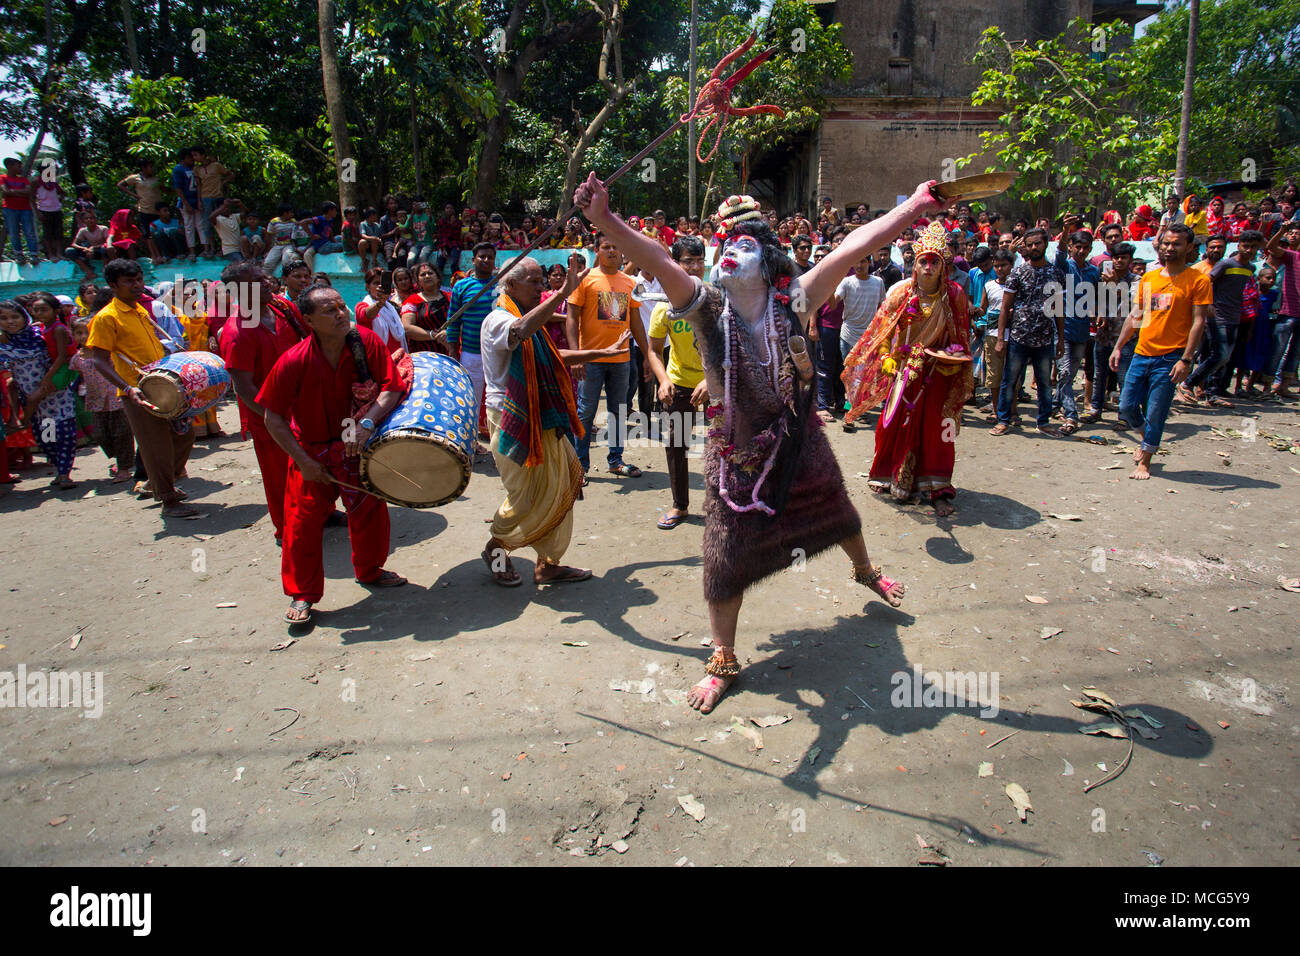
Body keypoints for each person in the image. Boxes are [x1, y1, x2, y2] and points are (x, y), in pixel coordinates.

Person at [576, 174, 932, 713]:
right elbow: (658, 258)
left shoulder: (798, 297)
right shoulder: (702, 305)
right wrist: (604, 220)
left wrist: (917, 207)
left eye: (741, 245)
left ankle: (863, 572)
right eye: (725, 245)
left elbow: (857, 244)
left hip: (796, 436)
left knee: (838, 510)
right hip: (737, 454)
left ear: (767, 259)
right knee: (721, 560)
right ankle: (723, 658)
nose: (727, 254)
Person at [257, 284, 409, 624]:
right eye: (329, 310)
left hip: (356, 447)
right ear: (308, 319)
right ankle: (302, 594)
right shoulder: (293, 360)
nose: (341, 313)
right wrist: (302, 460)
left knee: (370, 512)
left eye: (341, 306)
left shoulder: (365, 343)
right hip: (311, 451)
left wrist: (367, 423)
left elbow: (391, 388)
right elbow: (273, 418)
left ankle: (370, 570)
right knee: (302, 525)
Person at [479, 253, 628, 586]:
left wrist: (601, 353)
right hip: (512, 418)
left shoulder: (528, 319)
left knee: (562, 485)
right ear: (511, 284)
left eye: (542, 282)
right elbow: (520, 331)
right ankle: (496, 551)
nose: (540, 288)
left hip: (542, 416)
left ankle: (548, 564)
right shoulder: (500, 320)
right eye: (534, 282)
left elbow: (553, 354)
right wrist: (562, 295)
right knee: (524, 497)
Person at [843, 221, 973, 514]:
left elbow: (961, 337)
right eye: (923, 261)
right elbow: (883, 331)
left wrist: (953, 362)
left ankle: (937, 488)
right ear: (915, 264)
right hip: (904, 372)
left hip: (937, 373)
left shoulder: (954, 295)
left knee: (937, 432)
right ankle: (892, 478)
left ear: (943, 266)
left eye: (934, 262)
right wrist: (889, 356)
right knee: (892, 427)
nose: (928, 267)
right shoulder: (901, 291)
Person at [86, 259, 197, 516]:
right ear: (113, 286)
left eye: (139, 280)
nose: (137, 285)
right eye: (129, 281)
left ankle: (158, 483)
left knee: (184, 435)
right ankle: (168, 500)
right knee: (155, 444)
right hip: (137, 390)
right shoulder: (106, 318)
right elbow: (99, 361)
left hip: (162, 385)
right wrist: (127, 389)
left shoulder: (140, 310)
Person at [1110, 224, 1209, 480]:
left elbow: (1199, 321)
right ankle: (1147, 438)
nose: (1169, 248)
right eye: (1166, 243)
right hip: (1141, 353)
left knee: (1156, 410)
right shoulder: (1150, 278)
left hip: (1171, 358)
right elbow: (1136, 315)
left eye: (1176, 244)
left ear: (1188, 247)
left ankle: (1145, 461)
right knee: (1127, 406)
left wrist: (1187, 360)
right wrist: (1119, 347)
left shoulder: (1198, 280)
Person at [220, 260, 303, 543]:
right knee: (281, 475)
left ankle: (323, 514)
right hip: (269, 418)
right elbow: (243, 387)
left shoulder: (283, 308)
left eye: (264, 277)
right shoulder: (237, 332)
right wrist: (275, 418)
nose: (266, 282)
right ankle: (287, 529)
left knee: (312, 463)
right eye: (257, 281)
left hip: (302, 406)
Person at [566, 232, 649, 480]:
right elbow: (571, 317)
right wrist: (576, 355)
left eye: (616, 246)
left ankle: (616, 460)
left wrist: (646, 355)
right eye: (606, 246)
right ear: (597, 251)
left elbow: (635, 321)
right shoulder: (585, 279)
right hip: (590, 359)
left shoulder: (629, 282)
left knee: (618, 411)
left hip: (621, 360)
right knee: (586, 412)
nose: (612, 251)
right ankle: (579, 466)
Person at [646, 235, 709, 528]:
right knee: (676, 443)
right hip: (680, 383)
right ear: (674, 264)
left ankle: (730, 507)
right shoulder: (664, 308)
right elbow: (654, 351)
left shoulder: (717, 301)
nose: (695, 267)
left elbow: (732, 348)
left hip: (716, 384)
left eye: (700, 261)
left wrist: (712, 379)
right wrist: (662, 379)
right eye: (688, 261)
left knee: (727, 446)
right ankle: (680, 506)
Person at [990, 227, 1065, 436]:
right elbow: (1005, 307)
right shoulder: (1018, 272)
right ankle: (1003, 419)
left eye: (1037, 243)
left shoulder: (1056, 273)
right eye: (1030, 244)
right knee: (1009, 380)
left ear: (1045, 244)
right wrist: (1000, 338)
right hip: (1018, 337)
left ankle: (1043, 422)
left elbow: (1059, 308)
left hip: (1045, 339)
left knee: (1044, 383)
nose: (1034, 247)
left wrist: (1060, 339)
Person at [1179, 230, 1263, 406]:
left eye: (1253, 247)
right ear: (1238, 246)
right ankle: (1188, 383)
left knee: (1224, 357)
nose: (1249, 250)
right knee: (1220, 355)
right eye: (1245, 246)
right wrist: (1207, 303)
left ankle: (1212, 394)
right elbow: (1206, 281)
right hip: (1217, 316)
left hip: (1235, 316)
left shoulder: (1250, 268)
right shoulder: (1225, 265)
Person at [0, 298, 77, 487]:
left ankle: (64, 474)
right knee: (46, 439)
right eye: (3, 318)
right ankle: (58, 468)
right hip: (33, 401)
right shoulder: (3, 343)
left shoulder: (38, 333)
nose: (10, 321)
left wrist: (49, 381)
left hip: (55, 394)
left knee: (65, 435)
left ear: (24, 317)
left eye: (14, 316)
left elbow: (60, 354)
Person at [69, 315, 134, 481]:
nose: (83, 337)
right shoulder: (78, 358)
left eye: (87, 332)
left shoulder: (108, 354)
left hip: (116, 398)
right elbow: (79, 375)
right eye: (79, 333)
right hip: (96, 400)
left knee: (121, 433)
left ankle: (124, 467)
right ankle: (122, 459)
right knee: (100, 434)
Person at [446, 242, 498, 450]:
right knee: (471, 400)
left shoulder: (503, 285)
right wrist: (452, 352)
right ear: (473, 259)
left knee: (498, 399)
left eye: (490, 257)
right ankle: (470, 442)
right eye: (482, 257)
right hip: (471, 353)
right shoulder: (461, 286)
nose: (486, 260)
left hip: (499, 354)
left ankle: (500, 441)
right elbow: (453, 321)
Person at [828, 253, 885, 434]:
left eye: (862, 260)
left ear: (868, 262)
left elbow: (882, 308)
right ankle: (851, 412)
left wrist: (880, 332)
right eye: (856, 261)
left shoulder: (878, 282)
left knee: (862, 377)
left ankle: (852, 410)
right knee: (851, 376)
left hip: (868, 337)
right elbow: (833, 304)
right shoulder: (846, 282)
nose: (859, 265)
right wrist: (828, 287)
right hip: (848, 335)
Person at [1053, 221, 1100, 434]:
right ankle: (1071, 416)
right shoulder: (1065, 266)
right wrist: (1065, 231)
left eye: (1085, 248)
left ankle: (1055, 403)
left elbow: (1096, 297)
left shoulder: (1093, 272)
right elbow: (1060, 253)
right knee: (1064, 372)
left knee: (1069, 374)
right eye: (1077, 247)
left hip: (1082, 330)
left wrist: (1098, 313)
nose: (1081, 251)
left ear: (1090, 249)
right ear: (1071, 246)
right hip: (1062, 329)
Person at [1083, 242, 1137, 422]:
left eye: (1124, 258)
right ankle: (1095, 409)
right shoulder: (1103, 280)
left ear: (1130, 260)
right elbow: (1095, 303)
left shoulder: (1137, 281)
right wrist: (1096, 312)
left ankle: (1124, 416)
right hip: (1104, 335)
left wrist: (1115, 287)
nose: (1119, 261)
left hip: (1126, 338)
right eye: (1116, 257)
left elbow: (1137, 307)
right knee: (1099, 375)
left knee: (1124, 377)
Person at [1263, 222, 1300, 400]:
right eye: (1292, 233)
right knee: (1278, 348)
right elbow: (1270, 247)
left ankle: (1283, 386)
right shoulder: (1292, 256)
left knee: (1296, 352)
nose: (1294, 235)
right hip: (1288, 310)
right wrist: (1283, 230)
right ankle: (1267, 387)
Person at [355, 268, 408, 356]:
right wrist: (380, 303)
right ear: (367, 286)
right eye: (376, 283)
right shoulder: (362, 306)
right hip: (378, 359)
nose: (380, 286)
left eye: (382, 283)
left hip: (398, 357)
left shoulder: (391, 307)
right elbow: (366, 315)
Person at [400, 262, 449, 353]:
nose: (427, 276)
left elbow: (462, 321)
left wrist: (449, 333)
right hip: (424, 354)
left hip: (450, 350)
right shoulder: (412, 301)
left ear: (438, 278)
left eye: (430, 273)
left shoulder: (450, 298)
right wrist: (432, 335)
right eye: (423, 275)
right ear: (418, 281)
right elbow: (407, 327)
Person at [1, 158, 39, 265]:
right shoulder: (3, 178)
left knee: (29, 232)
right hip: (10, 209)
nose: (20, 168)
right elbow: (4, 191)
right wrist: (20, 192)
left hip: (25, 209)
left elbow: (29, 192)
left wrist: (11, 192)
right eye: (18, 166)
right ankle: (19, 255)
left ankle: (34, 255)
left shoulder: (23, 180)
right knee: (13, 232)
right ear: (10, 166)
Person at [170, 147, 205, 260]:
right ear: (185, 158)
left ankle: (206, 249)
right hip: (186, 202)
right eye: (191, 157)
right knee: (189, 226)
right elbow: (178, 188)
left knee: (200, 224)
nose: (193, 159)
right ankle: (192, 251)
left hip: (197, 200)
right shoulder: (178, 170)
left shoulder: (196, 168)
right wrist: (186, 204)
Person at [64, 210, 113, 277]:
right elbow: (74, 244)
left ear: (96, 219)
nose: (89, 220)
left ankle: (105, 269)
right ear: (83, 221)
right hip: (89, 251)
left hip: (100, 251)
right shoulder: (83, 230)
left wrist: (93, 247)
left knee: (104, 249)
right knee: (69, 251)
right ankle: (88, 271)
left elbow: (108, 243)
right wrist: (84, 248)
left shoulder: (103, 229)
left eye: (92, 218)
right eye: (86, 218)